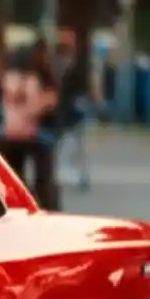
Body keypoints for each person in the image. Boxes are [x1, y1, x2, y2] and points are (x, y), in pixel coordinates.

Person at [1, 41, 61, 210]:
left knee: (14, 173)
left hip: (9, 133)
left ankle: (17, 203)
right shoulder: (34, 79)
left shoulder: (8, 78)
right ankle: (48, 204)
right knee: (44, 175)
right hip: (32, 132)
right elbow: (38, 107)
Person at [55, 31, 93, 191]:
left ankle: (80, 175)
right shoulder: (61, 64)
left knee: (77, 144)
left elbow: (85, 84)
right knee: (69, 143)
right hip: (68, 107)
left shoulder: (76, 64)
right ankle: (72, 174)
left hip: (75, 106)